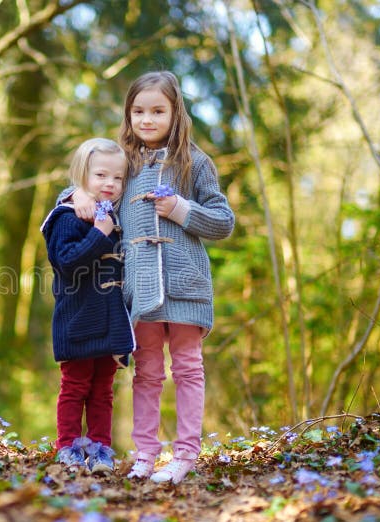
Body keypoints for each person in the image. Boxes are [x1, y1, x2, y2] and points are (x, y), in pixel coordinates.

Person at [63, 71, 235, 484]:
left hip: (186, 284)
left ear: (176, 113)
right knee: (147, 372)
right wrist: (80, 195)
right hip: (139, 289)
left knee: (189, 368)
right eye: (138, 111)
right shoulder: (124, 161)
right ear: (128, 114)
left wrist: (179, 209)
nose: (147, 119)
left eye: (158, 110)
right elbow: (90, 184)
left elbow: (224, 222)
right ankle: (145, 455)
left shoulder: (195, 162)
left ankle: (186, 454)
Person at [40, 137, 135, 474]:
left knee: (103, 390)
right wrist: (98, 233)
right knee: (75, 385)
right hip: (78, 317)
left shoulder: (116, 214)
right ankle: (67, 446)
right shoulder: (67, 215)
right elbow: (65, 261)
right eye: (100, 176)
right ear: (82, 176)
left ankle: (100, 448)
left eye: (117, 178)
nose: (109, 184)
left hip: (110, 319)